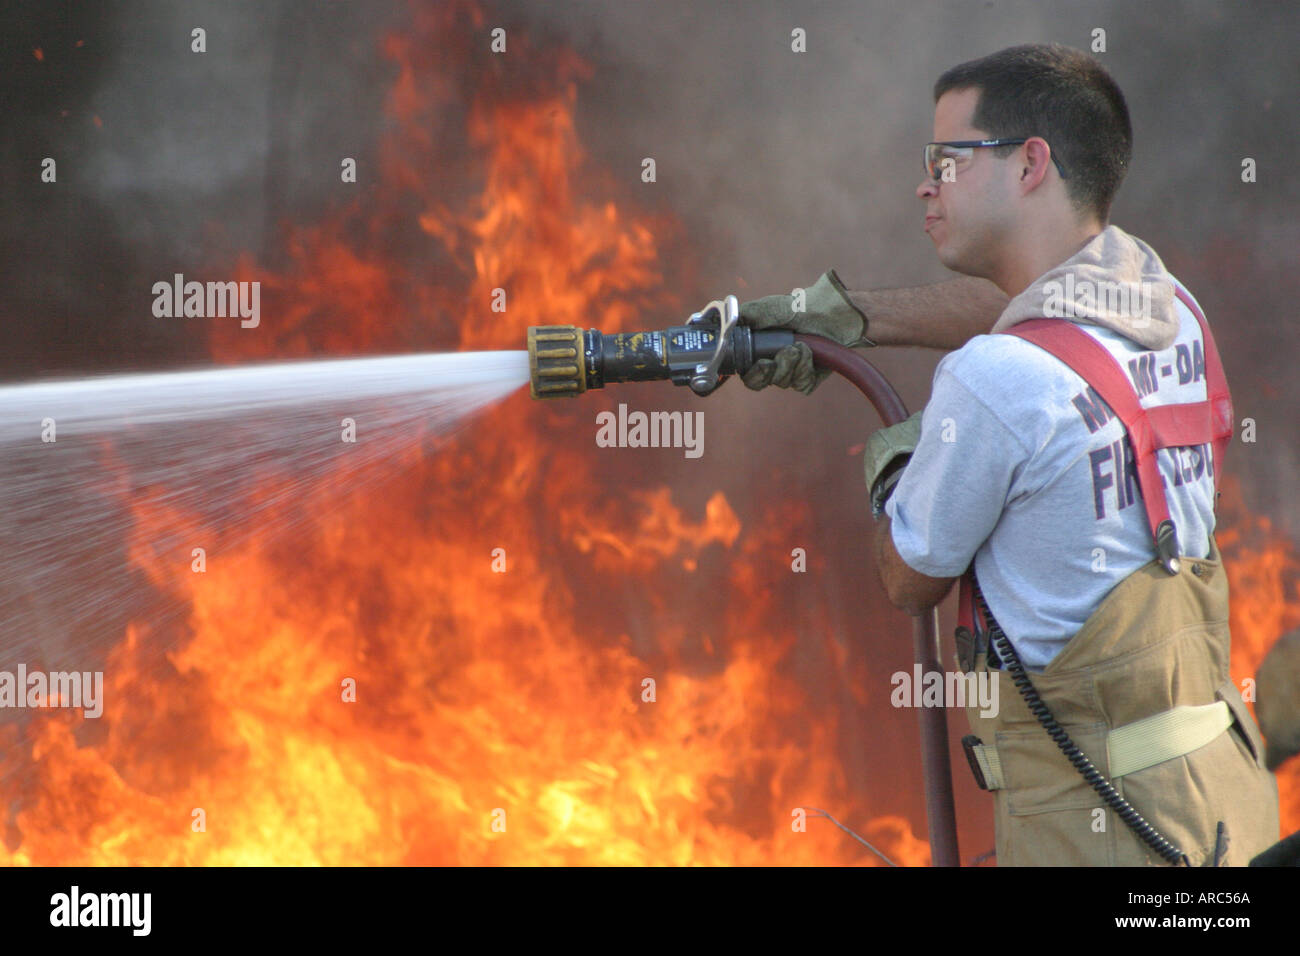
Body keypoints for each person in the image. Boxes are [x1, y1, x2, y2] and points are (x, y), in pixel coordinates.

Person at [735, 43, 1279, 866]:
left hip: (1095, 825)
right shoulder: (1169, 306)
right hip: (1219, 802)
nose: (925, 183)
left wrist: (896, 456)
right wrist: (850, 320)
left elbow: (907, 575)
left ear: (1030, 163)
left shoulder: (993, 382)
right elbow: (1025, 311)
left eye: (946, 159)